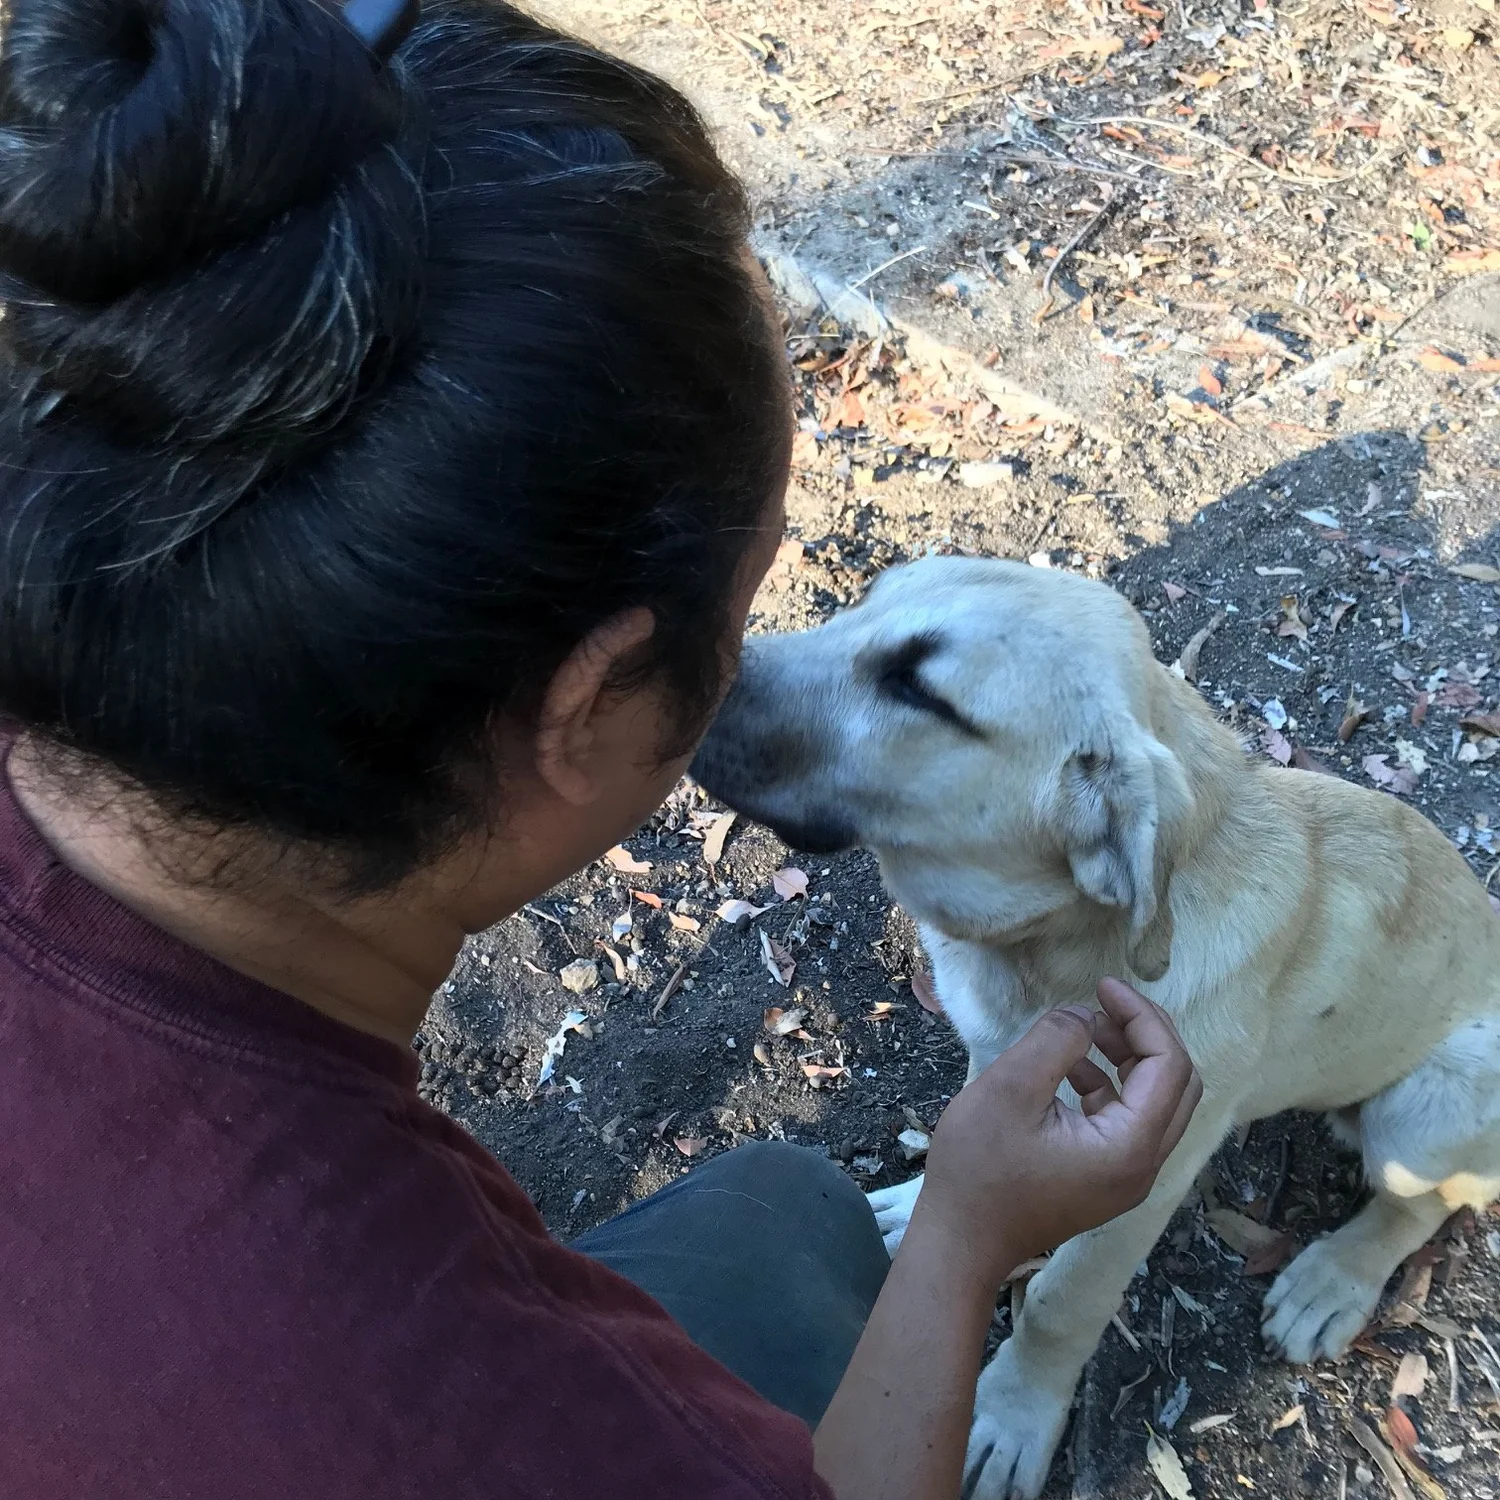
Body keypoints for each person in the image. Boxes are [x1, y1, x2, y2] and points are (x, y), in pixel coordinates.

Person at [0, 2, 1203, 1497]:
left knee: (780, 1207)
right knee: (798, 1221)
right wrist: (963, 1240)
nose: (761, 658)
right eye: (757, 591)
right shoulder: (525, 1423)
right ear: (589, 704)